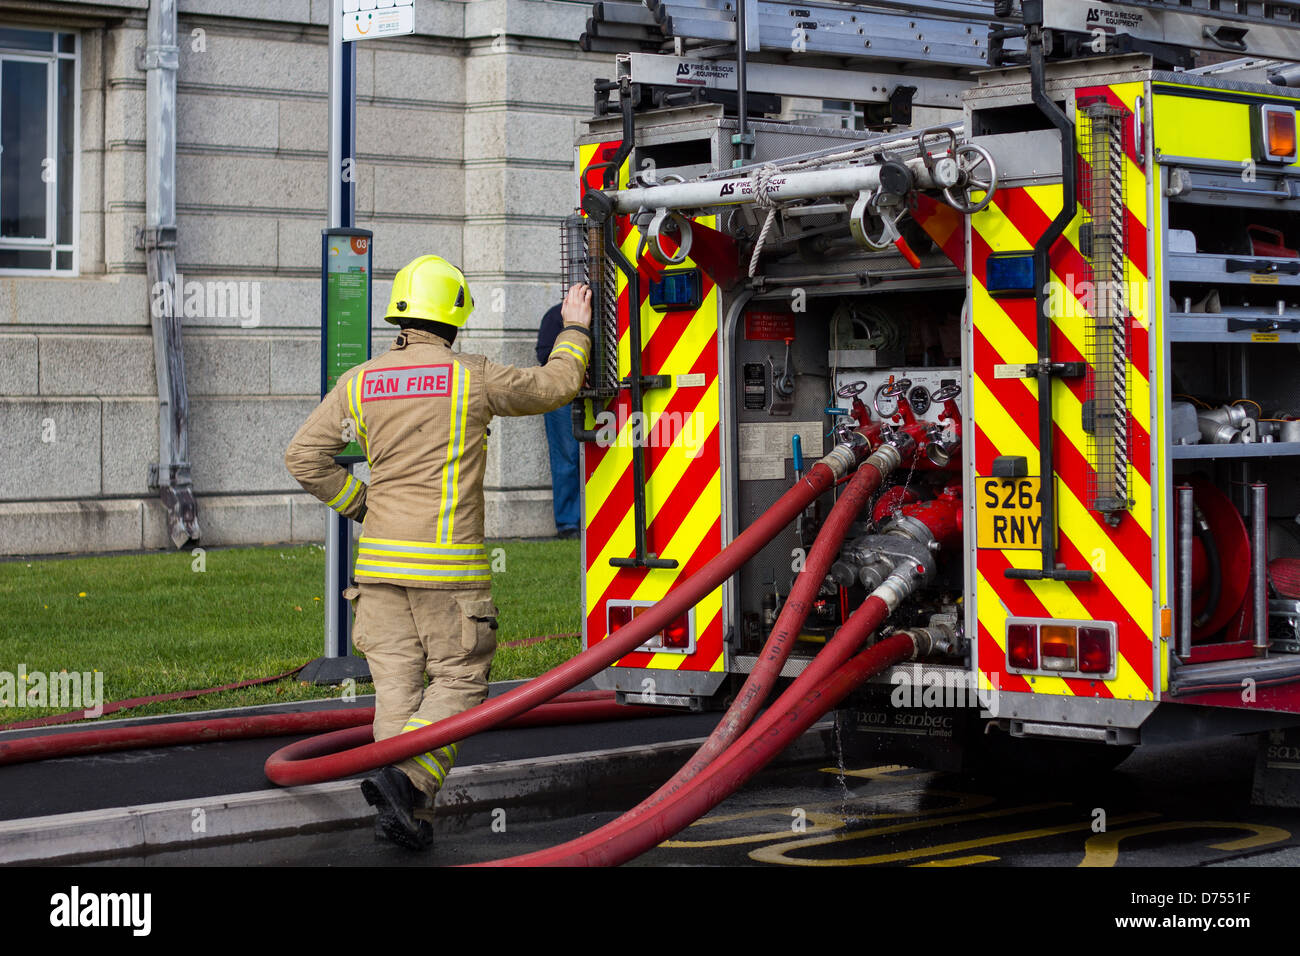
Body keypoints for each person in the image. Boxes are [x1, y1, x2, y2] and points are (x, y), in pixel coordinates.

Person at [285, 256, 592, 849]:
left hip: (376, 573)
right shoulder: (469, 376)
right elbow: (556, 386)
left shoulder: (362, 380)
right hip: (447, 572)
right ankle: (407, 781)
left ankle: (406, 817)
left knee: (397, 691)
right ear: (454, 318)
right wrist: (574, 329)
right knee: (461, 678)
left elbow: (303, 457)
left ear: (400, 312)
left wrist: (361, 505)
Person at [536, 301, 582, 538]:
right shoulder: (555, 315)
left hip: (596, 393)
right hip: (562, 397)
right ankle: (568, 524)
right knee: (567, 458)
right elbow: (544, 356)